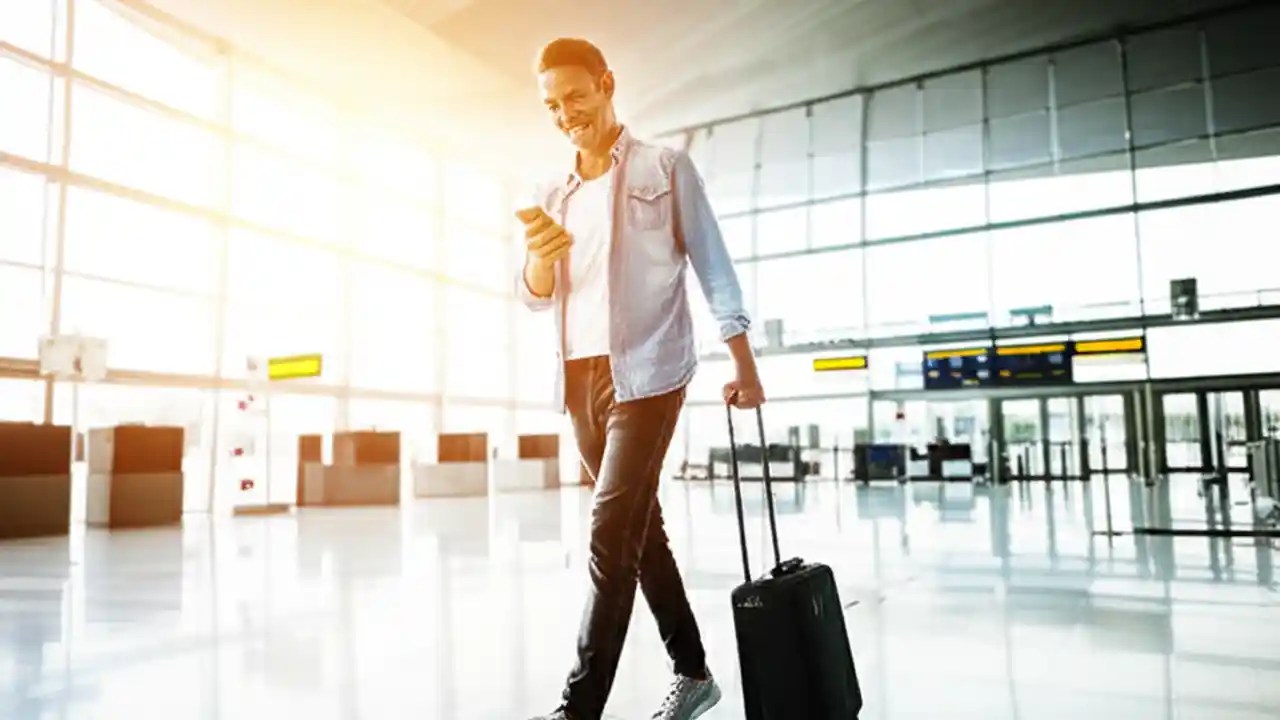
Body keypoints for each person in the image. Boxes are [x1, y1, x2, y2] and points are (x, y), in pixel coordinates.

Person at [515, 37, 765, 720]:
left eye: (575, 95)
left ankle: (578, 709)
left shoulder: (665, 167)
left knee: (608, 531)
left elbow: (713, 265)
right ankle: (695, 674)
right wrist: (539, 259)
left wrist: (743, 361)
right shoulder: (550, 193)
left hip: (649, 372)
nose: (565, 113)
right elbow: (535, 295)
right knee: (638, 531)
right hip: (578, 378)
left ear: (606, 83)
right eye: (551, 105)